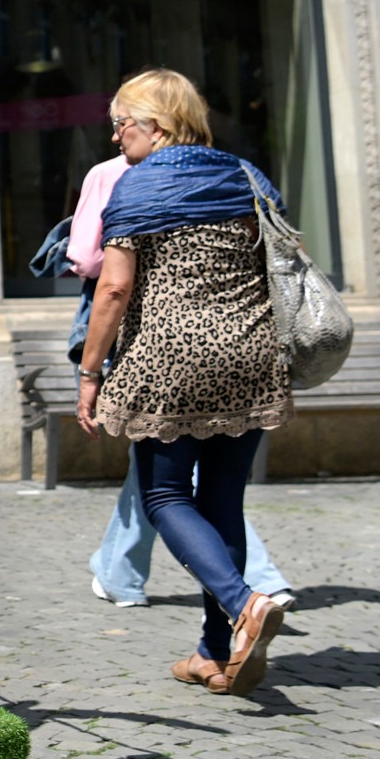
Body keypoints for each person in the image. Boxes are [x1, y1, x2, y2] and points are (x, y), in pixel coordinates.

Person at [75, 69, 291, 697]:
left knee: (166, 497)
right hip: (250, 355)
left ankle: (244, 602)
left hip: (171, 359)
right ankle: (215, 651)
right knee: (224, 499)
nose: (116, 137)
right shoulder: (248, 178)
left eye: (124, 124)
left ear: (159, 127)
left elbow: (113, 288)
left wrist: (91, 374)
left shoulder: (138, 187)